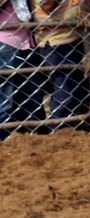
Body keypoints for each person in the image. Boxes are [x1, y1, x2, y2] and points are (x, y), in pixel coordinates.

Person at [31, 0, 88, 127]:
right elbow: (47, 5)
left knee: (76, 90)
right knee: (64, 92)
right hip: (56, 39)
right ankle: (58, 132)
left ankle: (74, 132)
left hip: (73, 35)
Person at [0, 0, 34, 140]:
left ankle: (24, 139)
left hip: (24, 40)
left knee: (30, 96)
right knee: (5, 98)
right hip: (5, 40)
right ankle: (3, 139)